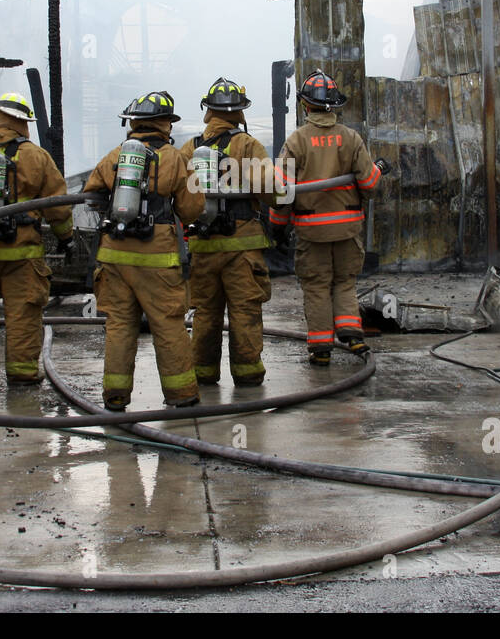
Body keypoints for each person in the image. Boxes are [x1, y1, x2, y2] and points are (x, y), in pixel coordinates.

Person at [84, 91, 204, 411]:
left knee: (120, 325)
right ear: (166, 124)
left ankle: (116, 396)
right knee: (167, 323)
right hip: (157, 257)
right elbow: (192, 208)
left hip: (113, 254)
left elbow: (91, 196)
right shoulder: (176, 159)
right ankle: (181, 395)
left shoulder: (114, 156)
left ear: (133, 122)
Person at [268, 70, 387, 365]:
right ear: (333, 105)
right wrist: (378, 169)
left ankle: (321, 350)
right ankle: (352, 335)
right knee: (345, 281)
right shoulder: (351, 138)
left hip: (312, 232)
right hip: (347, 230)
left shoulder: (296, 141)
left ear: (305, 106)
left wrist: (277, 228)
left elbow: (282, 192)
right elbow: (370, 184)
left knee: (317, 285)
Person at [0, 92, 73, 387]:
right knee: (24, 312)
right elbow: (58, 207)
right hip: (22, 253)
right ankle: (22, 373)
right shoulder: (36, 157)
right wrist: (66, 238)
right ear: (24, 123)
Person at [179, 77, 280, 387]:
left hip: (204, 246)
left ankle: (204, 373)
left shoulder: (190, 147)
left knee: (206, 312)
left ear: (208, 111)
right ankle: (247, 375)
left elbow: (178, 195)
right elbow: (270, 188)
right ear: (240, 112)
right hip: (241, 246)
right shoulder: (246, 144)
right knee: (244, 310)